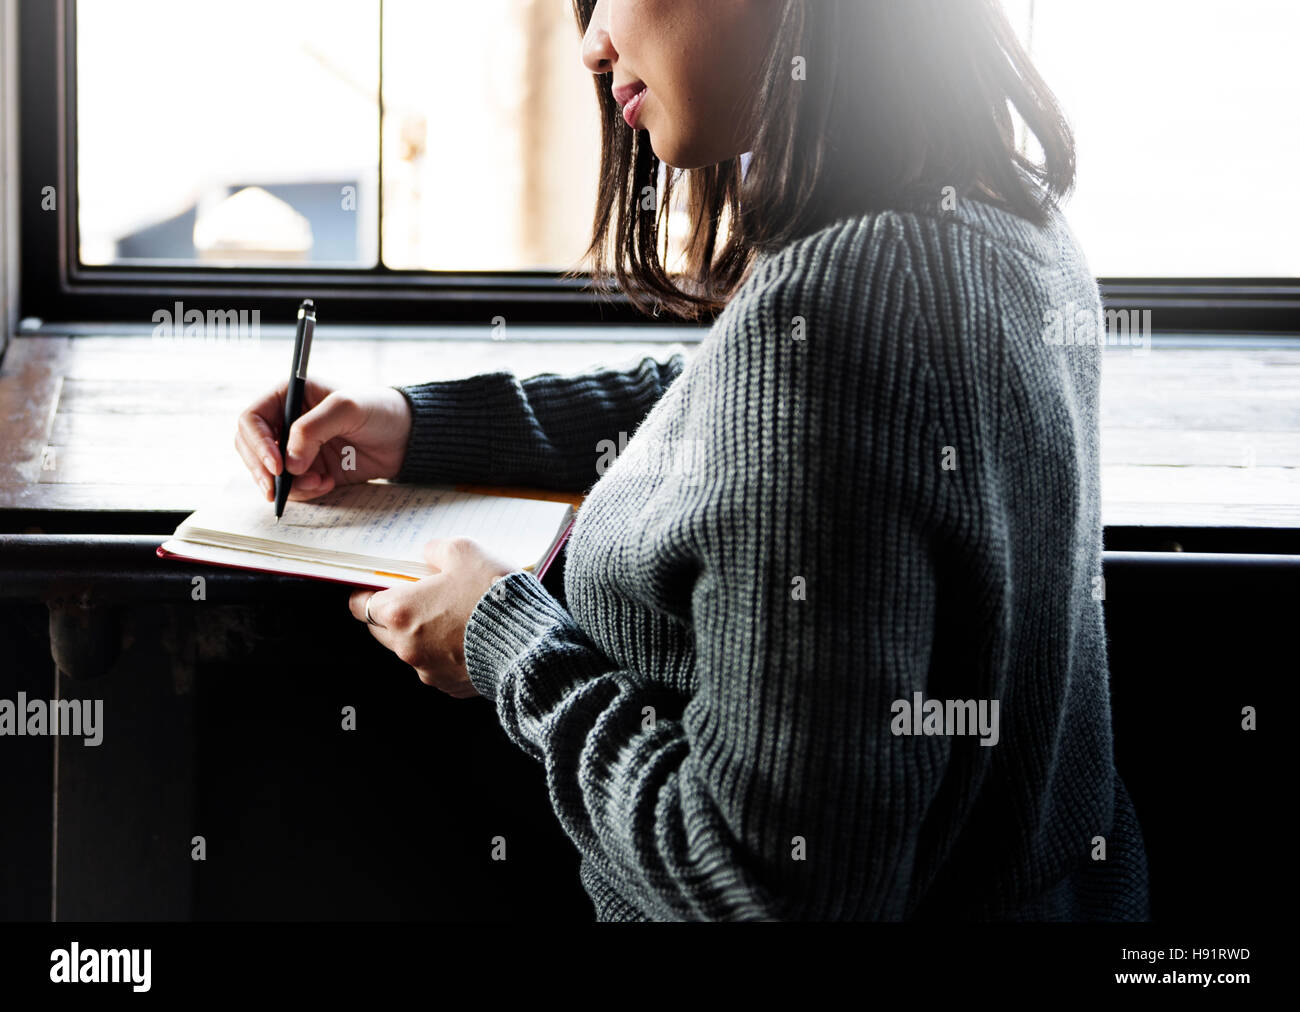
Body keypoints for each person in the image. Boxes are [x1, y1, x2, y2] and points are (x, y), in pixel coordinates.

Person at [234, 0, 1150, 921]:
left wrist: (508, 644)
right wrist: (414, 424)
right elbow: (715, 404)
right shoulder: (998, 219)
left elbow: (764, 886)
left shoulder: (837, 322)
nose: (592, 48)